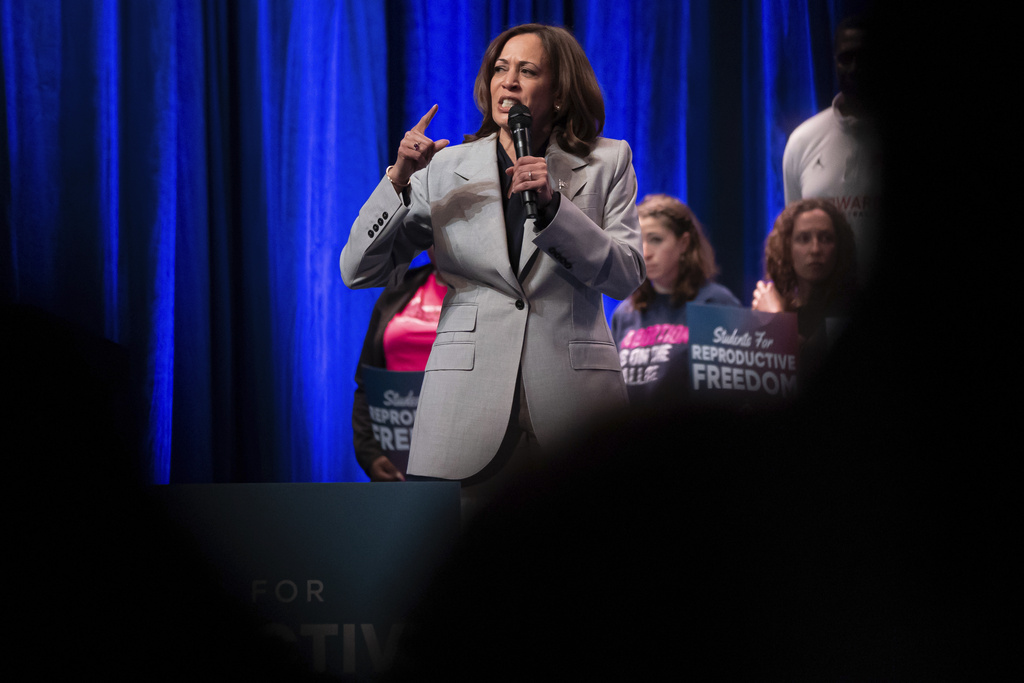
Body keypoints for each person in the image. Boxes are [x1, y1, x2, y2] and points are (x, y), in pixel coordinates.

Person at [340, 24, 644, 494]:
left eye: (528, 71)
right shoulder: (444, 168)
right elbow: (359, 270)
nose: (510, 81)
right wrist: (398, 180)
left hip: (575, 411)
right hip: (463, 407)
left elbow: (625, 275)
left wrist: (555, 211)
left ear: (559, 94)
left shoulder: (608, 161)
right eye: (501, 69)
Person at [611, 194, 739, 403]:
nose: (645, 252)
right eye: (639, 241)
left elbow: (730, 389)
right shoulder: (625, 313)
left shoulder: (714, 303)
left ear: (684, 243)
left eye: (656, 239)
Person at [782, 15, 880, 277]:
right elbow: (793, 236)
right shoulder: (803, 141)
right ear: (834, 62)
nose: (855, 68)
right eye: (846, 58)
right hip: (823, 299)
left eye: (864, 57)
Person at [352, 250, 448, 482]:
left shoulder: (492, 296)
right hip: (397, 457)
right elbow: (366, 384)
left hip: (459, 453)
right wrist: (370, 455)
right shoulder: (400, 287)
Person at [751, 198, 857, 378]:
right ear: (787, 248)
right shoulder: (788, 308)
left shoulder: (849, 307)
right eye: (804, 239)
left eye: (826, 238)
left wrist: (776, 319)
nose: (815, 249)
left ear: (839, 246)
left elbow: (811, 365)